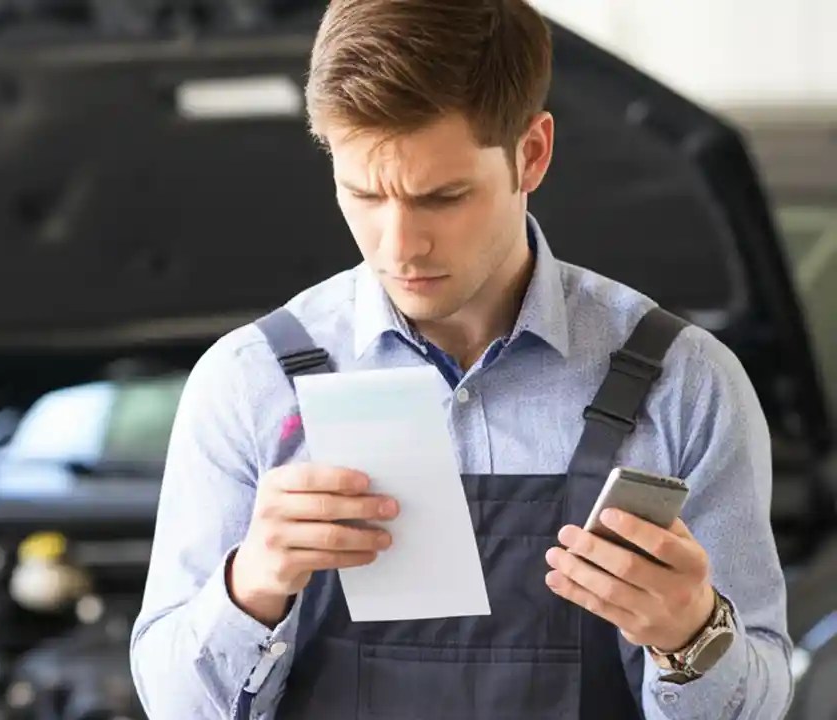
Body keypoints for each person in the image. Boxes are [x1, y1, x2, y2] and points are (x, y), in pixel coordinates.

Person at [128, 0, 793, 717]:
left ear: (531, 154)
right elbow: (176, 707)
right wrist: (251, 585)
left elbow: (759, 701)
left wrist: (691, 638)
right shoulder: (249, 384)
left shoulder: (686, 388)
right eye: (363, 193)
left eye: (442, 197)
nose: (399, 245)